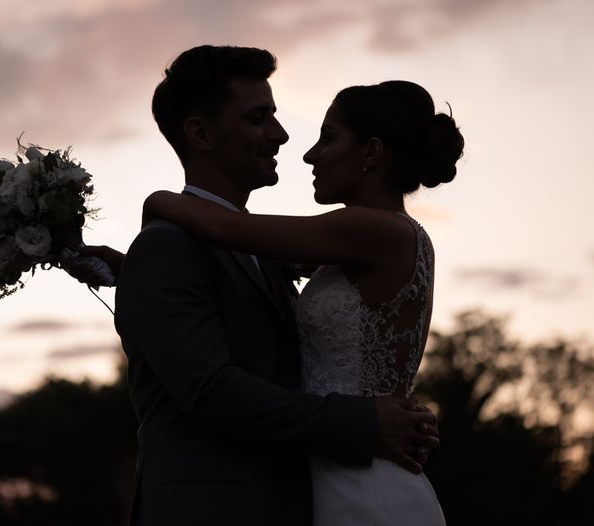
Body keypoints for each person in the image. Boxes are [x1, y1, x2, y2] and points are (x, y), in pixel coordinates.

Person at [68, 45, 441, 526]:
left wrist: (155, 205)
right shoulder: (168, 247)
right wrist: (365, 421)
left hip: (334, 491)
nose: (284, 136)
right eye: (259, 117)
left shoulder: (274, 247)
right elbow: (209, 389)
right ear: (201, 133)